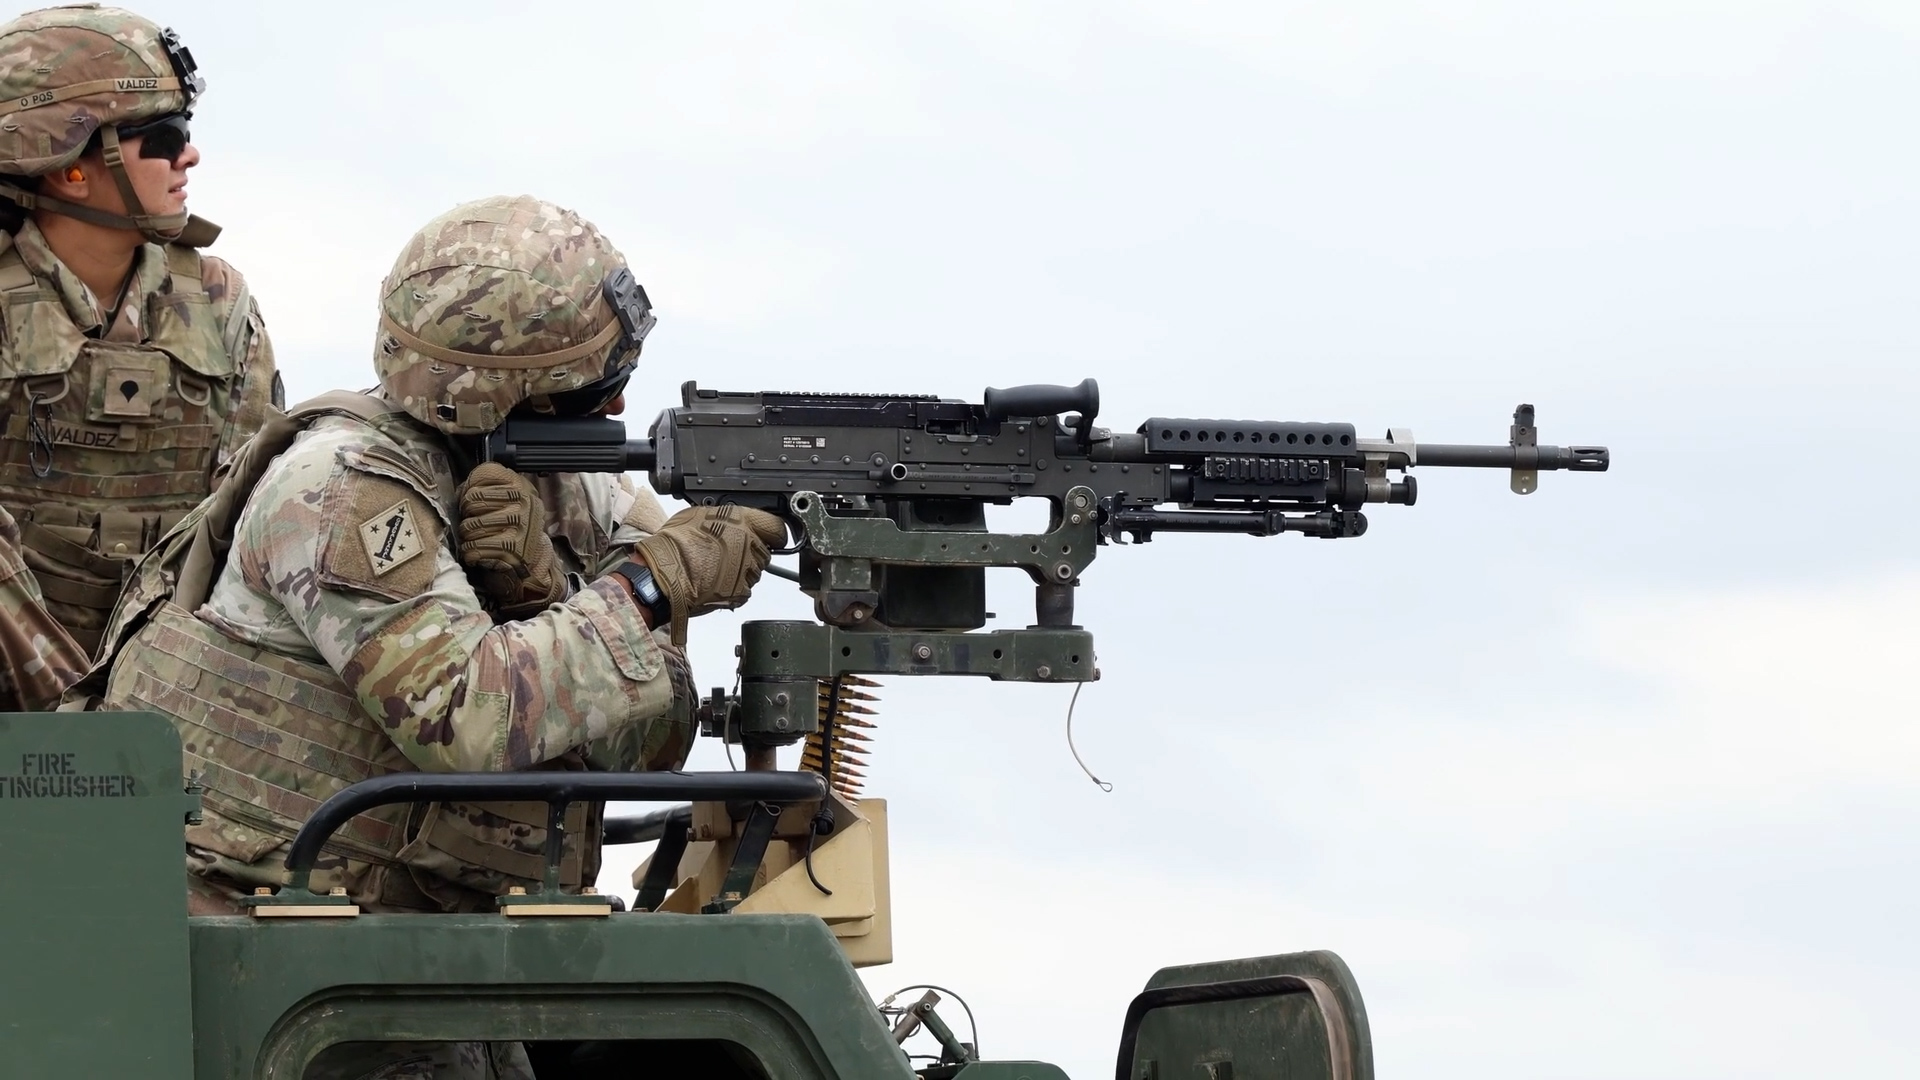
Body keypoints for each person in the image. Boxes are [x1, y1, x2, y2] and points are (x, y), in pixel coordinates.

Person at [71, 193, 782, 1077]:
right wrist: (644, 589)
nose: (623, 401)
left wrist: (547, 596)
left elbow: (653, 728)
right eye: (599, 389)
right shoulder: (340, 488)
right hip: (265, 976)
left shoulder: (569, 481)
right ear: (504, 396)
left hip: (423, 967)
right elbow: (471, 722)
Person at [0, 5, 281, 708]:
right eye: (164, 137)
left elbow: (247, 515)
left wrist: (148, 697)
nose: (189, 156)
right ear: (68, 169)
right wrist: (81, 711)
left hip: (170, 689)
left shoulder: (219, 304)